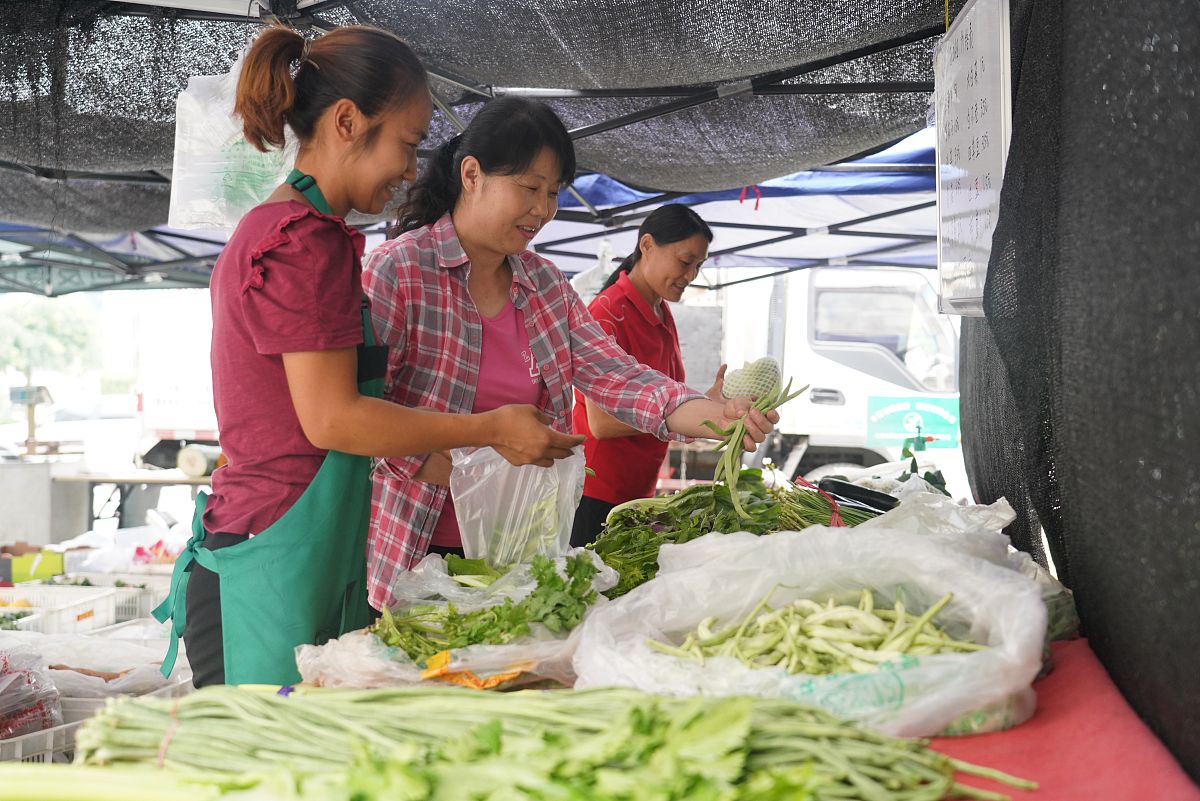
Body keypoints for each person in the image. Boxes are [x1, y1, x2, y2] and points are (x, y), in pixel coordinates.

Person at [153, 27, 578, 688]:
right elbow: (333, 419)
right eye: (407, 145)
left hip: (303, 546)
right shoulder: (304, 242)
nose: (412, 170)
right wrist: (488, 428)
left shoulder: (289, 229)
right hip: (275, 553)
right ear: (348, 122)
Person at [363, 96, 777, 611]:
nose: (543, 209)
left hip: (522, 552)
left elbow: (620, 377)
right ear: (472, 175)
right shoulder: (399, 272)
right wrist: (470, 470)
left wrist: (717, 414)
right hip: (415, 549)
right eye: (530, 188)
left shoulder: (544, 285)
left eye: (553, 193)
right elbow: (354, 415)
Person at [569, 204, 721, 547]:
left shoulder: (661, 310)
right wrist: (690, 414)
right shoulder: (607, 312)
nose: (691, 275)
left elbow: (667, 394)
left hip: (638, 492)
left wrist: (703, 405)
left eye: (698, 266)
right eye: (685, 262)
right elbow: (602, 423)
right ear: (647, 246)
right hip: (597, 494)